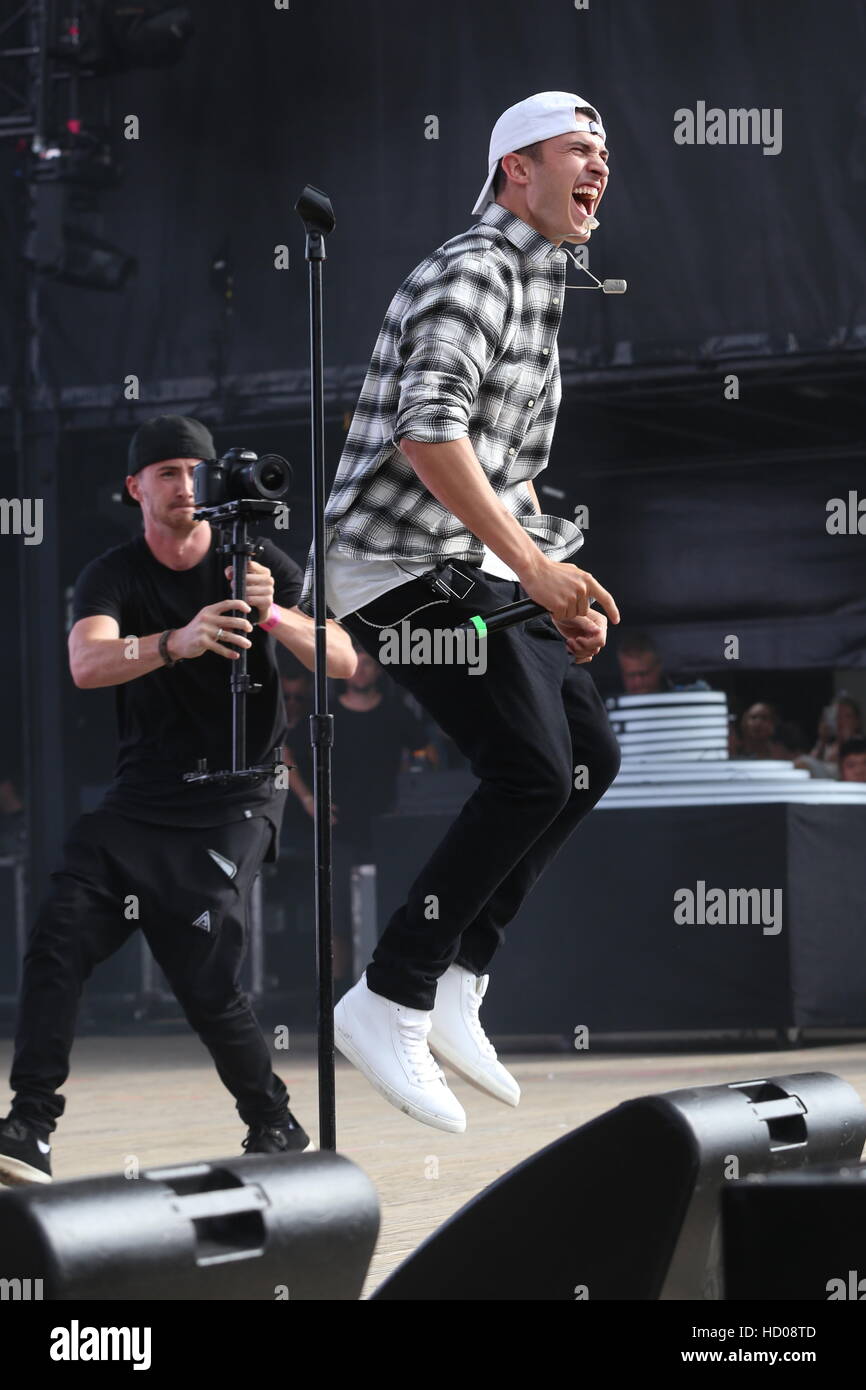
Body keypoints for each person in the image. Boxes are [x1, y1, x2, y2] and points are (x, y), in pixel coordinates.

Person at [297, 91, 623, 1134]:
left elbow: (506, 467)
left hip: (466, 562)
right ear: (512, 171)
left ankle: (454, 977)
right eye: (577, 150)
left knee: (585, 755)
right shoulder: (470, 269)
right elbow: (427, 436)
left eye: (604, 153)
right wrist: (532, 576)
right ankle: (386, 991)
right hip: (387, 564)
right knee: (527, 766)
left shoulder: (539, 284)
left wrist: (555, 574)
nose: (599, 167)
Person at [0, 415, 356, 1186]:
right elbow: (87, 663)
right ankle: (28, 1125)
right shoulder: (113, 574)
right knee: (58, 935)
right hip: (140, 799)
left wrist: (272, 613)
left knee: (200, 963)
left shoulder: (259, 561)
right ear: (136, 488)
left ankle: (273, 1122)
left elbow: (345, 658)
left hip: (239, 791)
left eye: (194, 472)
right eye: (166, 472)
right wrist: (176, 640)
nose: (184, 485)